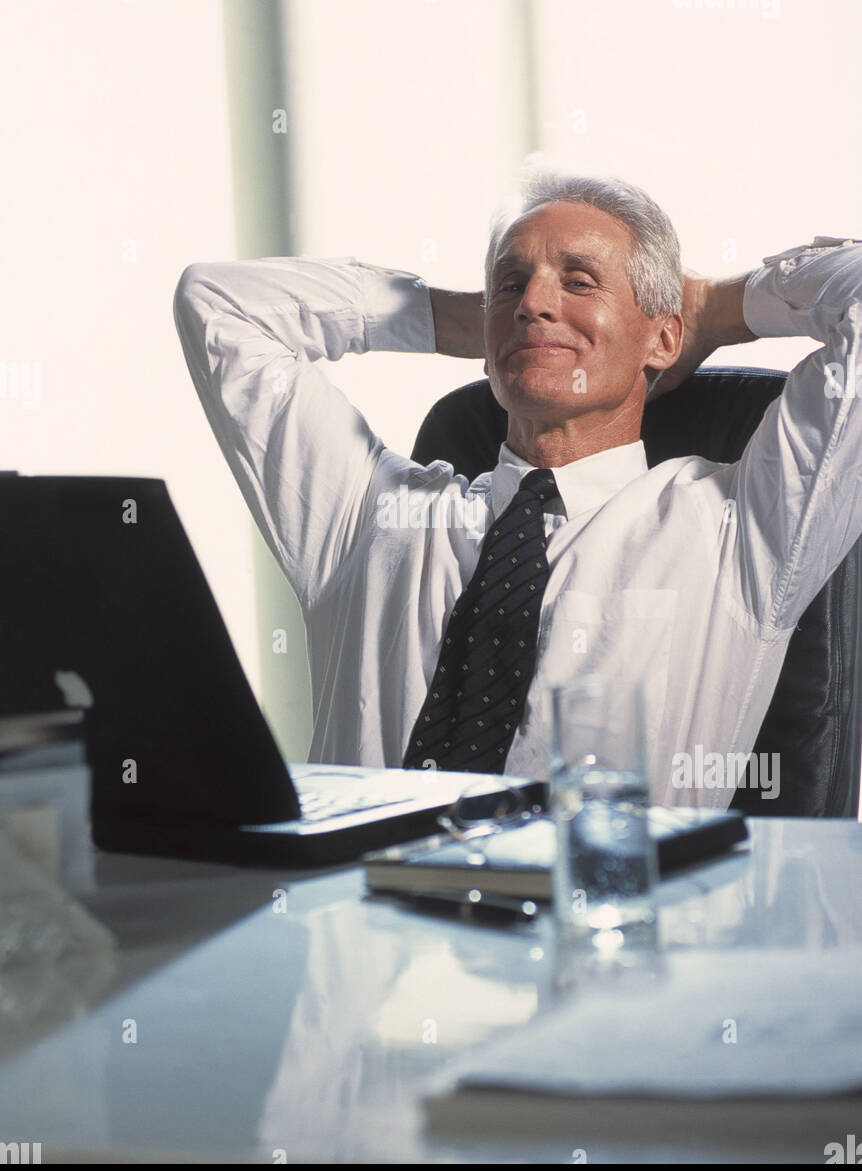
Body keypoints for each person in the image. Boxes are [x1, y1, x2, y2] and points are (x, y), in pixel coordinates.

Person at [173, 164, 862, 808]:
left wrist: (719, 307)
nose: (535, 302)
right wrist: (456, 319)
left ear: (662, 338)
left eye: (579, 280)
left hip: (604, 922)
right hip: (364, 924)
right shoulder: (371, 519)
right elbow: (220, 305)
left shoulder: (737, 531)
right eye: (511, 284)